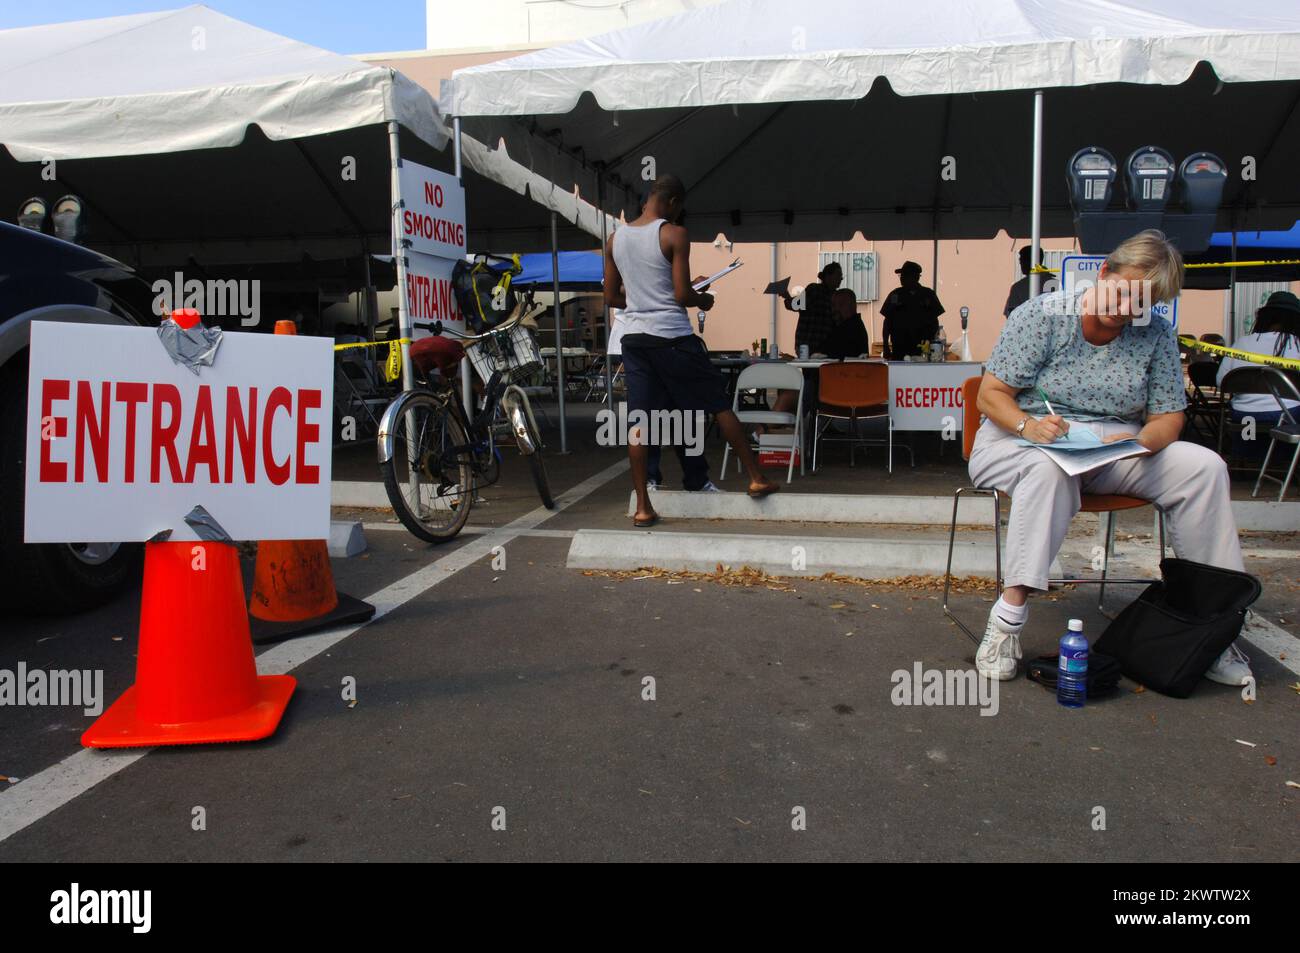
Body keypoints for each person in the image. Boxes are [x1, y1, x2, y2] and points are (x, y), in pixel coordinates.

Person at [968, 229, 1252, 687]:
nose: (1125, 311)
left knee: (1204, 468)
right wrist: (1029, 425)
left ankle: (1210, 629)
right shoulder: (1042, 315)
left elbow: (1168, 416)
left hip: (1108, 449)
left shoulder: (1156, 332)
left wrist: (1136, 445)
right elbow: (991, 396)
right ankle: (1007, 622)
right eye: (1122, 293)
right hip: (1018, 440)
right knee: (1047, 468)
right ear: (1102, 272)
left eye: (1141, 304)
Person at [604, 174, 778, 527]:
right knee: (717, 404)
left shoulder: (614, 239)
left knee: (639, 420)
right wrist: (705, 299)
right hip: (672, 336)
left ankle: (643, 507)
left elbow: (611, 297)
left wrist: (640, 302)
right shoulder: (674, 234)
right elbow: (683, 295)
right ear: (673, 203)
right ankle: (756, 477)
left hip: (634, 339)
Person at [1216, 291, 1300, 458]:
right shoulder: (1297, 345)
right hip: (1289, 417)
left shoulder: (1241, 343)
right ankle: (1288, 463)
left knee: (1250, 434)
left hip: (1244, 416)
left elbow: (1220, 382)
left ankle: (1245, 460)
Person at [880, 260, 943, 359]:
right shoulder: (895, 295)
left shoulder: (928, 295)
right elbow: (887, 322)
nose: (901, 278)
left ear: (916, 277)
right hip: (899, 349)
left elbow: (935, 322)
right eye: (901, 276)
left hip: (923, 350)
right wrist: (885, 346)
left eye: (904, 275)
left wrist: (934, 345)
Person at [779, 261, 840, 356]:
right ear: (828, 276)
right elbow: (796, 305)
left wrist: (788, 298)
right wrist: (788, 298)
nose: (840, 279)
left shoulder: (817, 290)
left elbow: (795, 305)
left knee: (810, 369)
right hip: (812, 345)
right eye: (838, 275)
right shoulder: (815, 290)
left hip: (808, 344)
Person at [824, 288, 869, 359]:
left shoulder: (850, 329)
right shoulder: (846, 326)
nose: (834, 309)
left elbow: (836, 354)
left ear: (851, 305)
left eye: (840, 305)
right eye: (833, 305)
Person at [1003, 246, 1034, 318]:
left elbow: (1011, 315)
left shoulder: (1018, 287)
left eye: (1021, 260)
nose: (1020, 263)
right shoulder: (1055, 283)